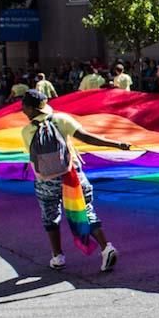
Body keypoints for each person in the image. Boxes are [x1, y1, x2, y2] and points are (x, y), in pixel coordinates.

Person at [21, 90, 130, 273]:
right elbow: (87, 137)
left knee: (50, 214)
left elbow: (35, 157)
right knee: (85, 210)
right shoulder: (61, 120)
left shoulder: (27, 131)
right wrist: (116, 144)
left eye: (24, 106)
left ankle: (58, 257)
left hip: (46, 181)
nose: (22, 110)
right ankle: (106, 248)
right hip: (72, 176)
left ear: (30, 109)